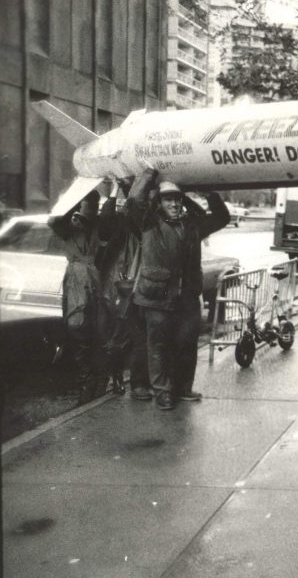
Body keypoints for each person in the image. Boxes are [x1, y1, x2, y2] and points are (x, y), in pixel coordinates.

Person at [127, 169, 230, 411]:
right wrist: (149, 175)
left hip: (186, 297)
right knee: (158, 346)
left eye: (177, 199)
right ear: (159, 203)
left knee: (186, 342)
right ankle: (162, 392)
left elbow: (222, 217)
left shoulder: (192, 225)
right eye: (168, 199)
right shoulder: (149, 223)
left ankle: (183, 388)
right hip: (156, 296)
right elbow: (134, 202)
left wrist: (206, 193)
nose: (173, 203)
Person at [48, 190, 116, 404]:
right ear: (80, 204)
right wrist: (71, 201)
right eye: (89, 202)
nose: (93, 207)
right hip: (78, 279)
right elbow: (55, 222)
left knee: (101, 329)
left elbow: (109, 220)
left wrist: (113, 196)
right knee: (77, 324)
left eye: (96, 203)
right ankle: (86, 378)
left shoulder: (98, 224)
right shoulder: (71, 223)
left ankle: (99, 380)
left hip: (96, 278)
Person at [97, 178, 152, 400]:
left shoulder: (140, 229)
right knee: (118, 336)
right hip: (117, 289)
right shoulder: (118, 230)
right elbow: (106, 220)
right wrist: (116, 191)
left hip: (132, 288)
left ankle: (123, 378)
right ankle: (117, 376)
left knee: (129, 337)